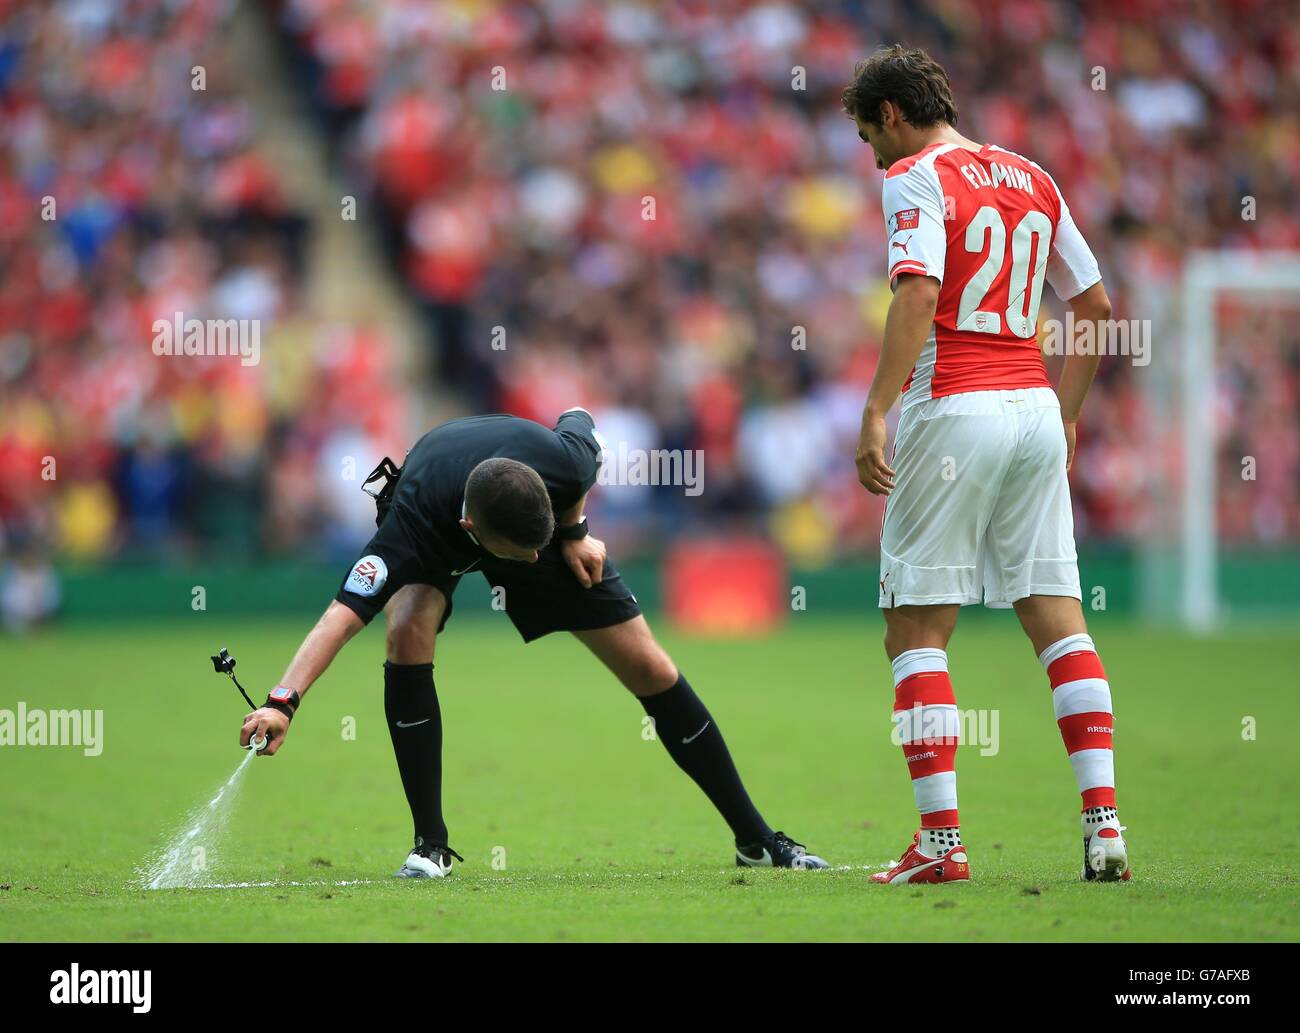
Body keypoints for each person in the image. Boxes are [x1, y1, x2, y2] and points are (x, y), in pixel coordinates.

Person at [239, 408, 827, 876]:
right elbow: (340, 616)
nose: (532, 562)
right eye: (523, 556)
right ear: (474, 535)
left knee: (651, 666)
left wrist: (571, 533)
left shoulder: (561, 464)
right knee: (405, 628)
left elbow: (578, 418)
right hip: (436, 504)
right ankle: (431, 845)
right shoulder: (410, 533)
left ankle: (756, 838)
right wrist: (282, 701)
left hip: (535, 514)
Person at [844, 45, 1127, 884]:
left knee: (916, 628)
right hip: (1035, 406)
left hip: (953, 405)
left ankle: (940, 844)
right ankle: (1104, 823)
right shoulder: (1033, 175)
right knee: (1057, 616)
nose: (874, 158)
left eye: (870, 137)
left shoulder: (914, 176)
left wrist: (876, 408)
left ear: (892, 114)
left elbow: (919, 293)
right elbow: (1095, 303)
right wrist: (1070, 411)